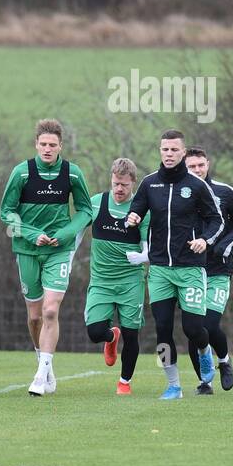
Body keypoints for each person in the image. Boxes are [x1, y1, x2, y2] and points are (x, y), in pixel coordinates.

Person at [124, 130, 224, 401]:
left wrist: (204, 239)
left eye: (173, 150)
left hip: (191, 269)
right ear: (160, 151)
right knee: (163, 329)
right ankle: (173, 385)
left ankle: (205, 353)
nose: (168, 154)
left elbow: (216, 220)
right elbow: (135, 211)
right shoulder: (149, 184)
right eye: (164, 150)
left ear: (182, 153)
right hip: (158, 270)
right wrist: (132, 218)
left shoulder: (197, 185)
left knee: (193, 329)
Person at [0, 118, 93, 397]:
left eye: (53, 145)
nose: (48, 149)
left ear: (61, 146)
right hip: (27, 250)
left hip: (59, 251)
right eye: (43, 145)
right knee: (35, 315)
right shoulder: (22, 173)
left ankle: (41, 376)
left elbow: (87, 211)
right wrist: (29, 233)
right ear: (36, 145)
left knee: (52, 310)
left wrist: (65, 234)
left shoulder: (72, 174)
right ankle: (43, 360)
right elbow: (6, 213)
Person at [183, 146, 233, 394]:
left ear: (208, 164)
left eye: (200, 165)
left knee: (210, 325)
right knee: (193, 330)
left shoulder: (224, 192)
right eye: (191, 166)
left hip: (219, 270)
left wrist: (223, 244)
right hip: (190, 271)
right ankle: (205, 382)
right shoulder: (180, 195)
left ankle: (223, 361)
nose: (197, 170)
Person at [83, 158, 149, 396]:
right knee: (94, 332)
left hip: (130, 282)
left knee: (132, 334)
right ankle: (112, 337)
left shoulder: (141, 210)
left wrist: (142, 258)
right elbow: (78, 231)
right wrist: (68, 259)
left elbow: (148, 248)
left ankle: (124, 381)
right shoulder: (96, 203)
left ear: (133, 183)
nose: (119, 189)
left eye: (124, 185)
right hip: (101, 281)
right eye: (115, 184)